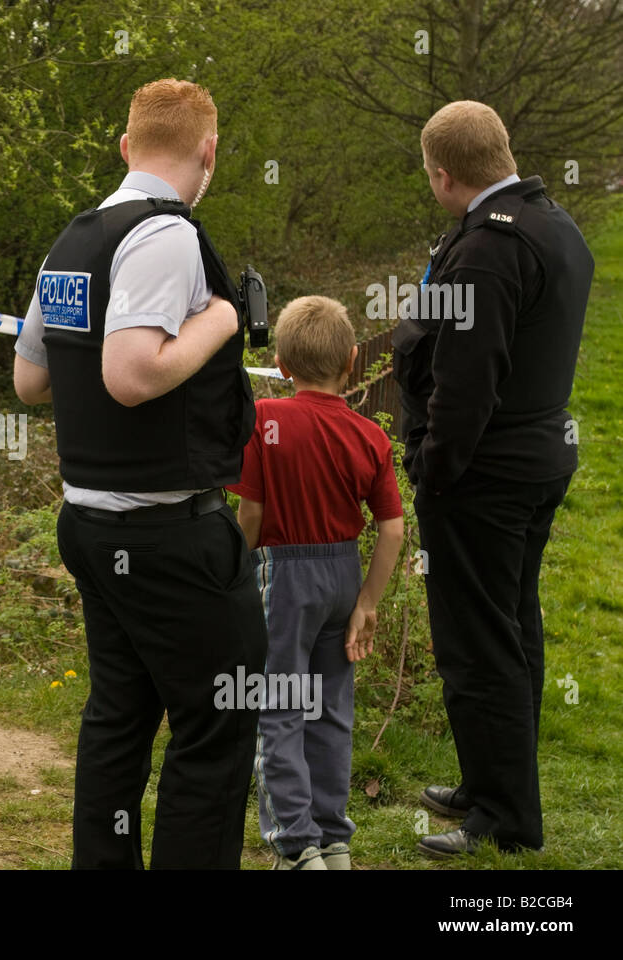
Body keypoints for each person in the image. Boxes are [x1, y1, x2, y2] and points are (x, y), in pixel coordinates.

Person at [13, 78, 267, 869]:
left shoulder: (76, 237)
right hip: (166, 534)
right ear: (209, 152)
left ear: (126, 147)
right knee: (218, 721)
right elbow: (131, 373)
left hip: (90, 524)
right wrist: (223, 318)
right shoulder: (168, 237)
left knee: (119, 717)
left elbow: (29, 380)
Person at [394, 100, 594, 858]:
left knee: (478, 645)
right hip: (536, 457)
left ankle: (504, 819)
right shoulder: (555, 225)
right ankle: (489, 783)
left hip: (483, 473)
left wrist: (433, 468)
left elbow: (467, 382)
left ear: (443, 174)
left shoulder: (486, 248)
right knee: (512, 627)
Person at [227, 296, 404, 870]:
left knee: (278, 708)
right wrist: (367, 604)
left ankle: (296, 847)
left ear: (280, 363)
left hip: (283, 578)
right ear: (353, 361)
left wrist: (238, 573)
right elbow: (393, 529)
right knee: (330, 710)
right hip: (343, 576)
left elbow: (250, 515)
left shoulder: (265, 422)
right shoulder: (369, 437)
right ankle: (334, 839)